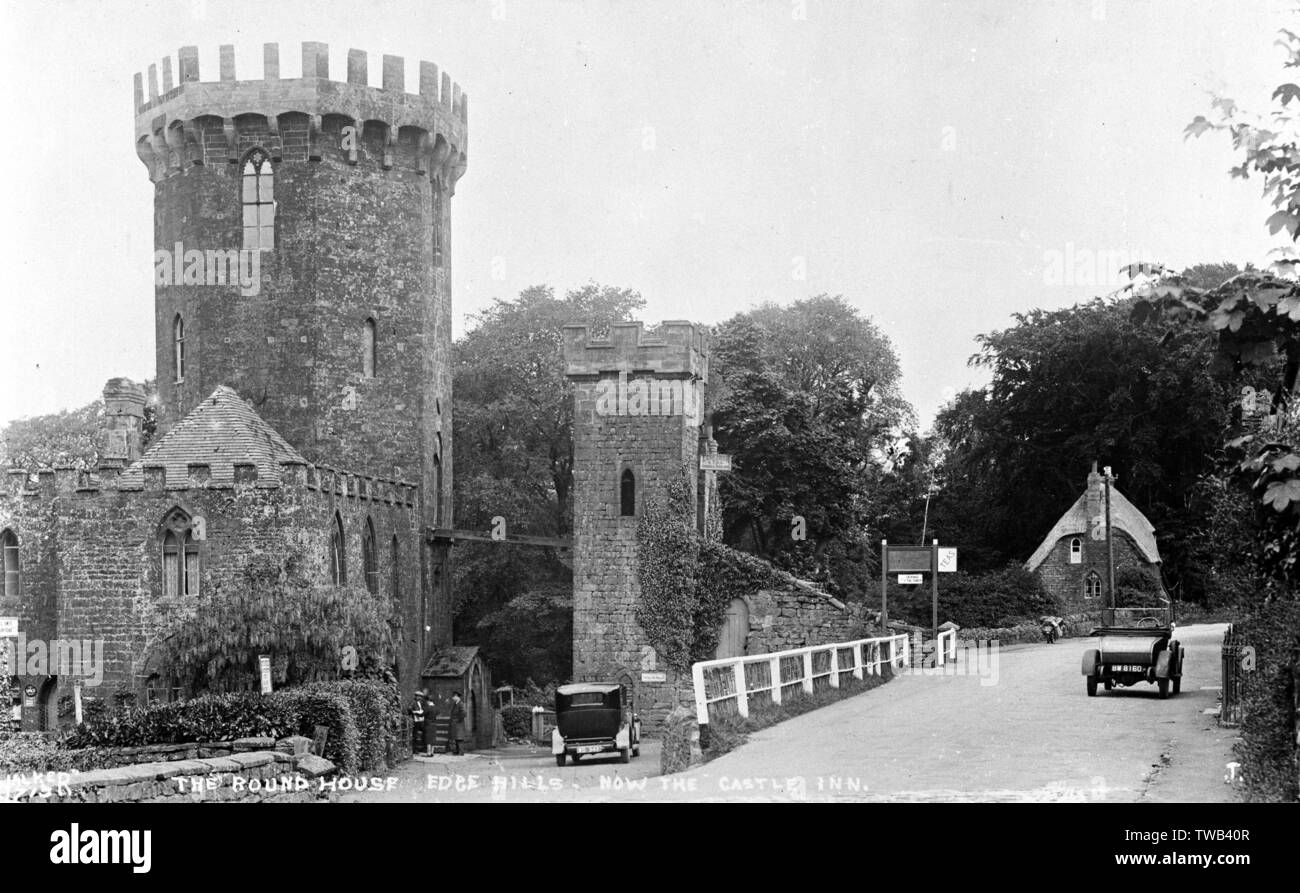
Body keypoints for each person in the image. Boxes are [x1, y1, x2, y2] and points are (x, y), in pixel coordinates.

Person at [410, 690, 427, 755]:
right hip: (416, 720)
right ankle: (415, 749)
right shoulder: (413, 702)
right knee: (415, 735)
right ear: (415, 696)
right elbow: (409, 709)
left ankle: (424, 748)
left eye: (420, 696)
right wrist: (415, 712)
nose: (419, 698)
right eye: (418, 696)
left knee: (425, 733)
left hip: (421, 720)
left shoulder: (421, 702)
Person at [449, 691, 466, 755]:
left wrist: (458, 720)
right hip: (456, 724)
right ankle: (457, 751)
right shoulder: (456, 703)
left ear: (456, 696)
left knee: (459, 738)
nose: (452, 698)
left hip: (459, 724)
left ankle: (461, 752)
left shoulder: (460, 703)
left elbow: (464, 713)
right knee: (456, 737)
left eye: (453, 696)